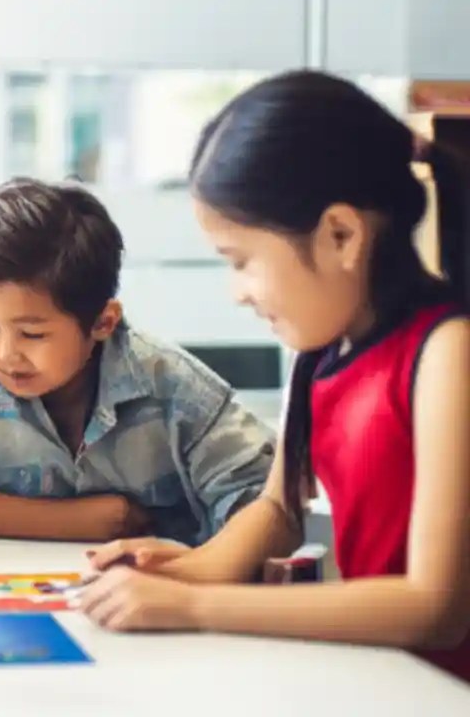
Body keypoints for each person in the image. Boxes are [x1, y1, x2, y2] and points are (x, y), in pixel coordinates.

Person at [79, 70, 470, 683]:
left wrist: (196, 605)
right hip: (388, 683)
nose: (239, 293)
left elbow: (435, 607)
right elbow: (280, 507)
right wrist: (183, 571)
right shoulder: (321, 350)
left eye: (242, 262)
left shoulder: (448, 352)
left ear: (341, 235)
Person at [0, 178, 274, 546]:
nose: (4, 353)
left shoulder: (175, 387)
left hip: (159, 593)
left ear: (102, 322)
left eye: (32, 334)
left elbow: (267, 504)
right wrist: (82, 521)